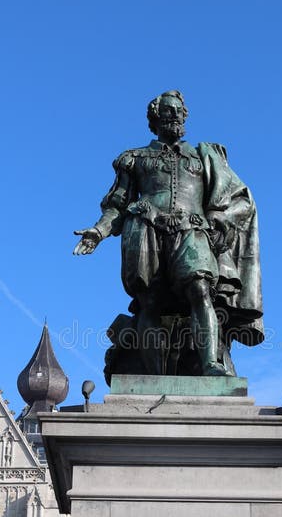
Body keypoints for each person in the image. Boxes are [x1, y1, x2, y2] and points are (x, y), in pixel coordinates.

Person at [73, 90, 263, 378]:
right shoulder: (134, 158)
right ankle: (154, 374)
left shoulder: (203, 156)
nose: (174, 116)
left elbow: (239, 197)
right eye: (168, 111)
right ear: (155, 119)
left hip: (191, 229)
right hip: (145, 228)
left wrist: (216, 220)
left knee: (200, 289)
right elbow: (118, 206)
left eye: (178, 112)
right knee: (150, 301)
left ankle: (211, 363)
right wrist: (98, 232)